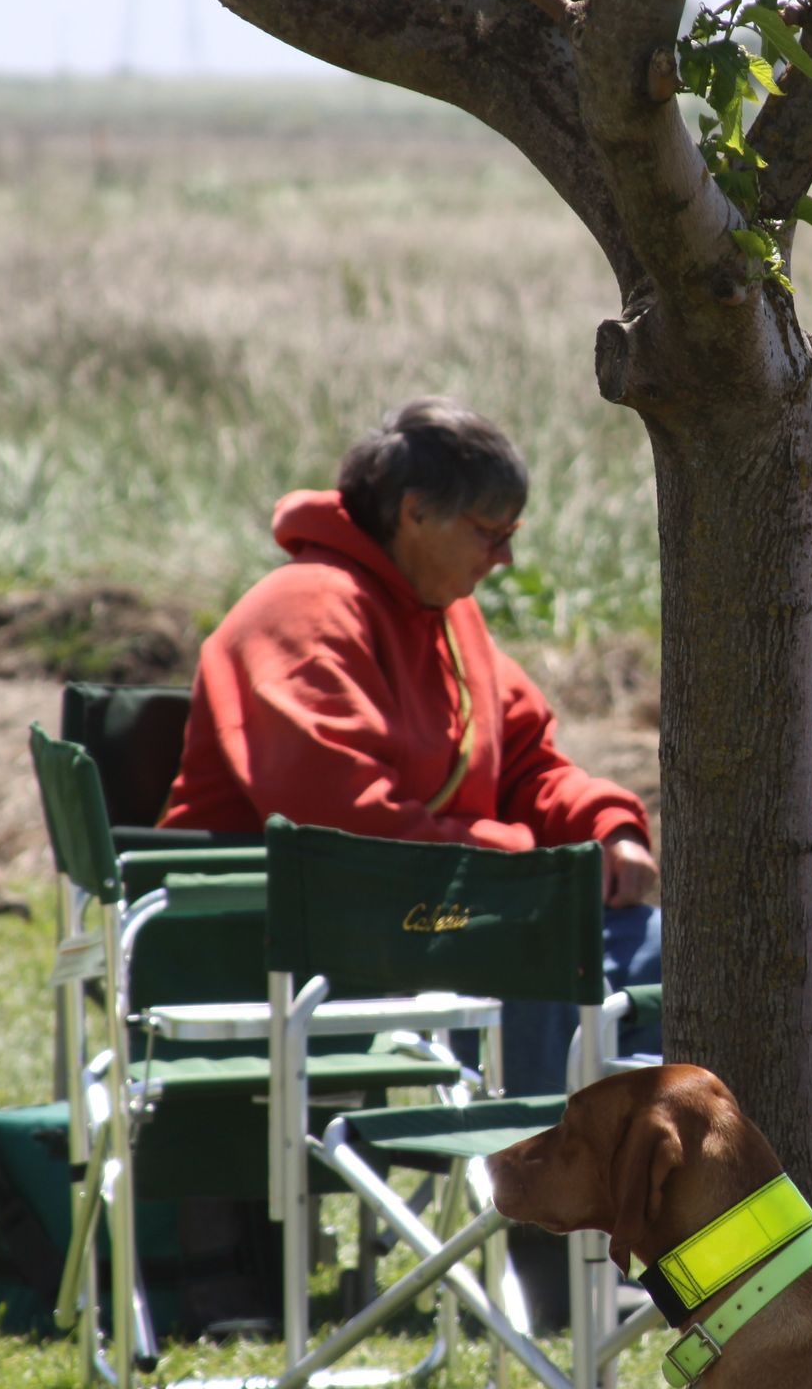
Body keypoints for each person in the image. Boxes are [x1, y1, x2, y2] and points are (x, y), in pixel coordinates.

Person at [161, 396, 660, 1096]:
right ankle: (543, 1188)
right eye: (491, 532)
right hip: (300, 938)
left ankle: (664, 1188)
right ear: (415, 513)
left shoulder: (449, 616)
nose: (507, 557)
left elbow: (526, 764)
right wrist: (531, 869)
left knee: (678, 958)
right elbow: (350, 828)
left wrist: (605, 831)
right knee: (532, 961)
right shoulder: (301, 613)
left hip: (434, 912)